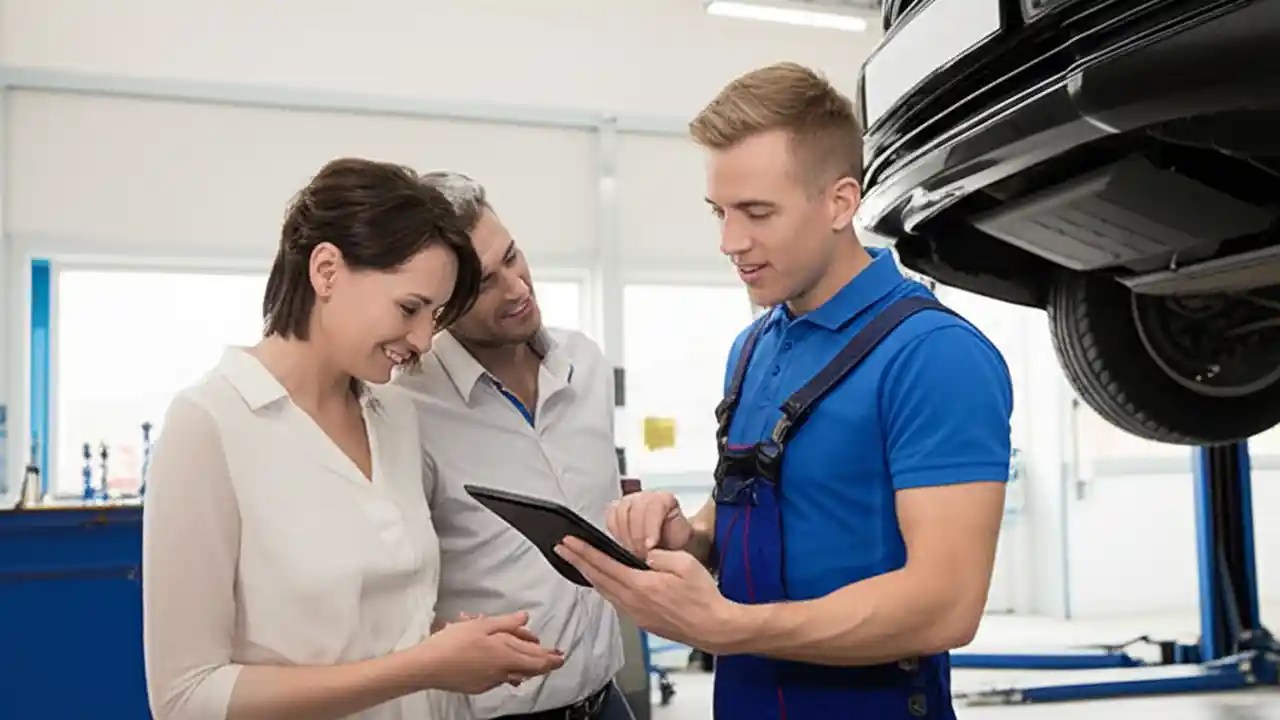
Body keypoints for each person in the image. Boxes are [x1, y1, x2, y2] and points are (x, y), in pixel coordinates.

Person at [555, 63, 1013, 719]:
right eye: (720, 212)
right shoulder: (755, 346)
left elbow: (946, 604)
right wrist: (685, 536)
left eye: (757, 213)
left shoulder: (934, 357)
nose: (729, 242)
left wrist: (730, 628)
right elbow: (748, 506)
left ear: (841, 202)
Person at [141, 158, 566, 720]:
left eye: (434, 315)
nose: (421, 340)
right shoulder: (210, 423)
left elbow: (375, 627)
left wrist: (462, 649)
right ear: (326, 270)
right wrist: (425, 666)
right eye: (410, 308)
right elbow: (185, 697)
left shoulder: (392, 413)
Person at [387, 171, 633, 720]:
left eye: (513, 257)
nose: (518, 288)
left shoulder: (584, 365)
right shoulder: (404, 408)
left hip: (606, 700)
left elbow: (602, 520)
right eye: (483, 283)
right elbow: (389, 603)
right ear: (441, 304)